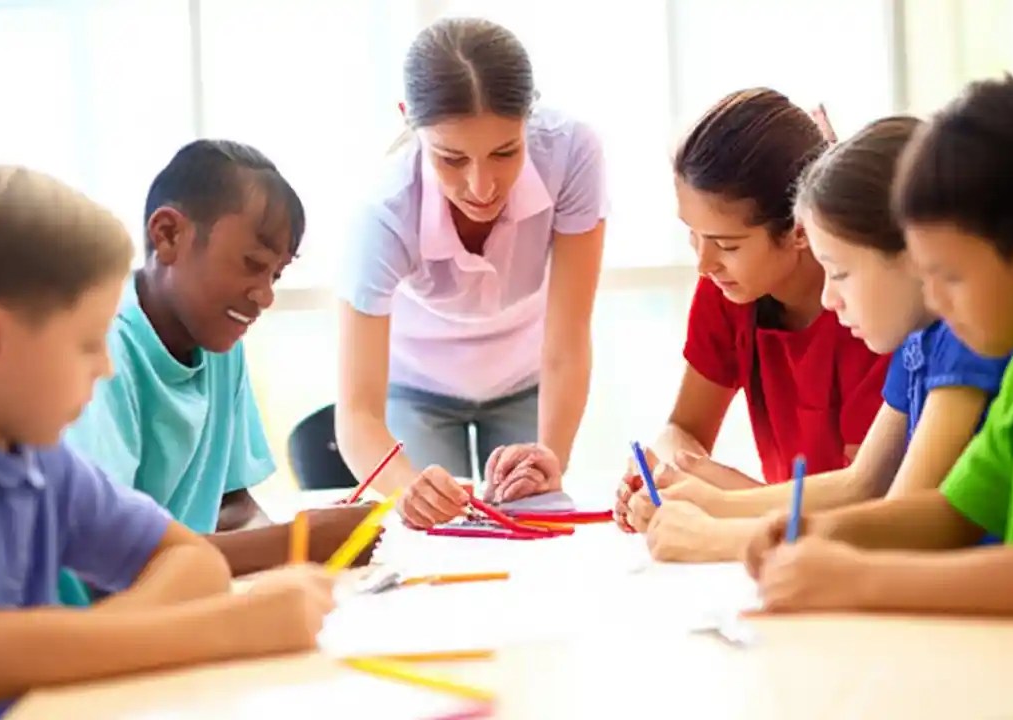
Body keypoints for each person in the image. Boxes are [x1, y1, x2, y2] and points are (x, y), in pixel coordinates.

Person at [0, 166, 335, 718]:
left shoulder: (44, 465)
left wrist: (73, 644)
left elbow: (194, 562)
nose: (106, 364)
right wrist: (228, 629)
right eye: (88, 343)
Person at [744, 77, 1013, 649]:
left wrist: (858, 578)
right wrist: (820, 531)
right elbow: (955, 512)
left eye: (950, 277)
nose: (935, 300)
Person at [628, 116, 1011, 562]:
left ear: (917, 255)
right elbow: (864, 482)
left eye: (841, 272)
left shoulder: (965, 335)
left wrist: (725, 534)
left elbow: (900, 520)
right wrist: (715, 504)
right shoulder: (918, 340)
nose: (830, 298)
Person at [61, 140, 375, 606]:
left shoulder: (219, 345)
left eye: (276, 275)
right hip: (104, 622)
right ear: (168, 236)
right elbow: (106, 560)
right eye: (252, 264)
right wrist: (299, 542)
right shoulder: (101, 353)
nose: (265, 295)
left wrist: (309, 555)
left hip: (178, 602)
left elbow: (233, 507)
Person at [336, 17, 608, 528]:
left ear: (529, 117)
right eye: (451, 158)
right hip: (417, 384)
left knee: (533, 522)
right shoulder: (383, 213)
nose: (482, 185)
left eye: (506, 152)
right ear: (408, 122)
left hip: (529, 373)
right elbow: (356, 414)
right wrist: (407, 490)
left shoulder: (571, 153)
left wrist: (550, 456)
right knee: (435, 532)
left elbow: (569, 338)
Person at [612, 88, 889, 543]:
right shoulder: (728, 291)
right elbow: (683, 429)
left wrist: (717, 495)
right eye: (693, 235)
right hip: (779, 540)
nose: (703, 264)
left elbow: (863, 498)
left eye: (727, 245)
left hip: (841, 548)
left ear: (800, 229)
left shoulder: (868, 316)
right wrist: (666, 475)